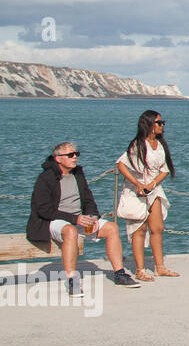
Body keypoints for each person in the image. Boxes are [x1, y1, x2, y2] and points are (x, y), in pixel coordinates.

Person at [26, 142, 139, 294]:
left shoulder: (77, 174)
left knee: (112, 228)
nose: (75, 157)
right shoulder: (45, 178)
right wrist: (75, 219)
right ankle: (72, 281)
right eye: (70, 155)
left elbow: (88, 199)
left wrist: (92, 217)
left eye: (76, 154)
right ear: (58, 159)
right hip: (54, 221)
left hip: (78, 219)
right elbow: (43, 210)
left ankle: (119, 274)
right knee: (70, 231)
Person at [116, 110, 179, 280]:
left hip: (153, 189)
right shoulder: (138, 144)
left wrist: (153, 184)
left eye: (162, 123)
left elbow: (165, 170)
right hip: (136, 190)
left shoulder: (160, 145)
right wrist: (138, 183)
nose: (162, 126)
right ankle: (140, 269)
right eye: (159, 122)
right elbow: (121, 164)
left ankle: (159, 267)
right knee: (139, 229)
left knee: (157, 228)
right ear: (150, 124)